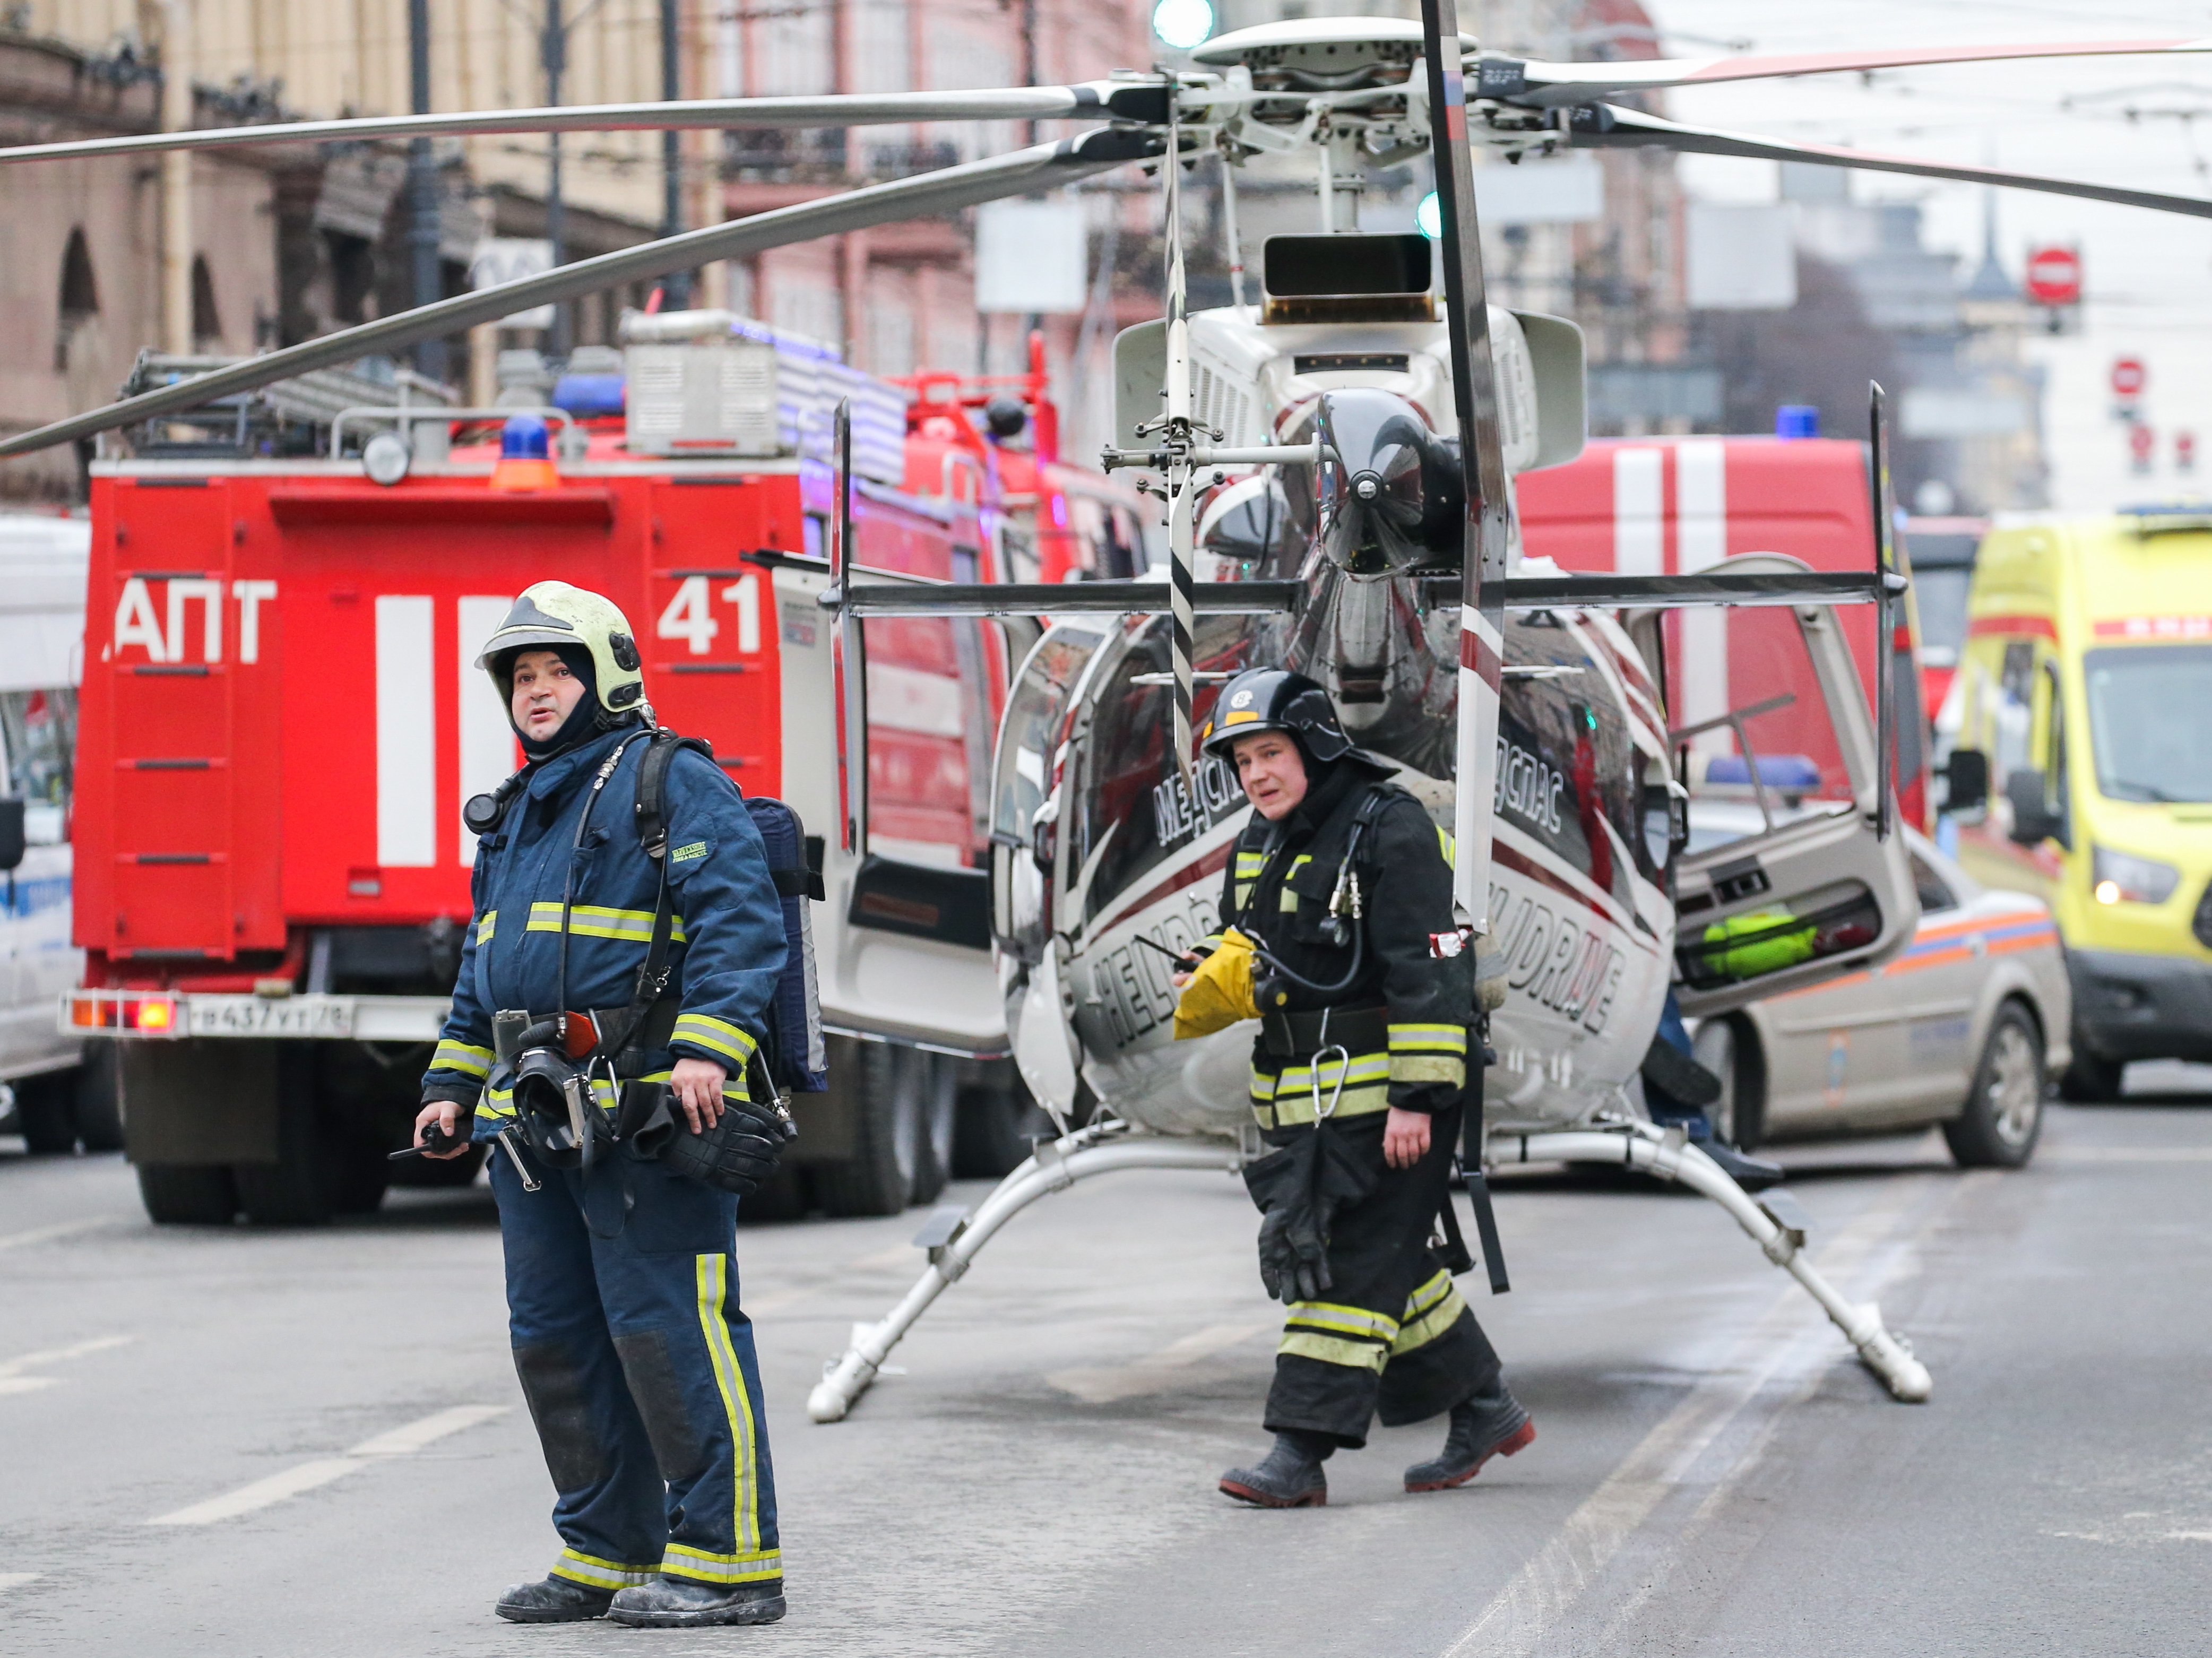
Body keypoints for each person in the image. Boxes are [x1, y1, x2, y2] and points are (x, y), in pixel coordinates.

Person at [413, 582, 791, 1628]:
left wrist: (708, 1050)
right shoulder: (518, 806)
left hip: (649, 1117)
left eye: (555, 670)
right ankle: (605, 1548)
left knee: (668, 1330)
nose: (537, 693)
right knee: (556, 1337)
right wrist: (451, 1085)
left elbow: (741, 923)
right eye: (521, 677)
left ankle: (730, 1559)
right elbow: (484, 972)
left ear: (605, 672)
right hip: (532, 1123)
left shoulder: (670, 779)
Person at [1175, 667, 1533, 1508]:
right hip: (1303, 1103)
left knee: (1332, 1270)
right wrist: (1219, 972)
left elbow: (1431, 969)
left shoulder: (1393, 828)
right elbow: (1265, 950)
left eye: (1271, 752)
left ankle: (1298, 1453)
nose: (1256, 774)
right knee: (1385, 1266)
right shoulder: (1262, 840)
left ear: (1315, 743)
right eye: (1241, 761)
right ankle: (1486, 1408)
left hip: (1385, 1104)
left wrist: (1417, 1097)